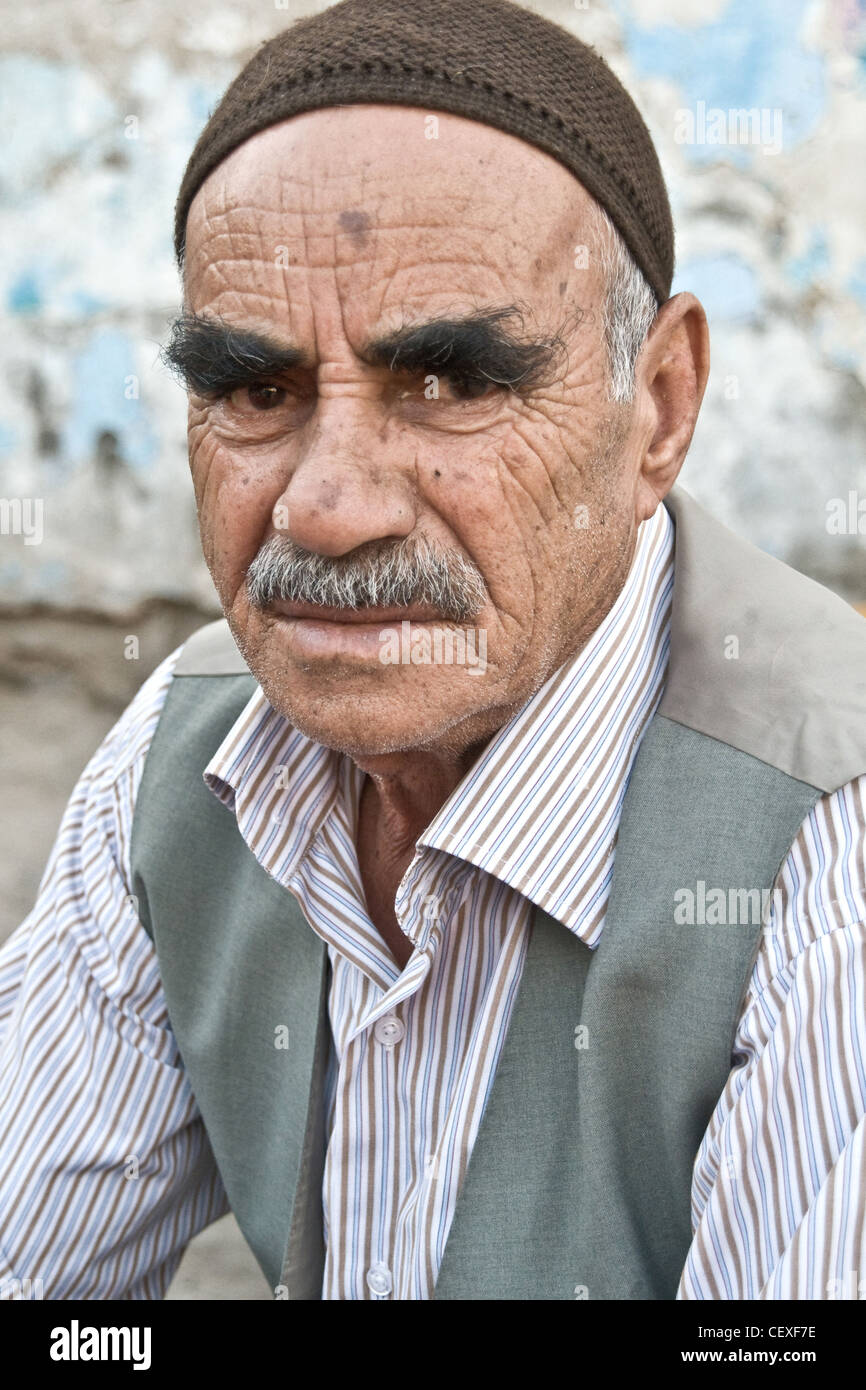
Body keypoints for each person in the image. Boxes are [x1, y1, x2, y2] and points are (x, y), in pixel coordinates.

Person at [2, 0, 865, 1301]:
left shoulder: (825, 840)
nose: (325, 508)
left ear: (659, 407)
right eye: (255, 391)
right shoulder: (183, 757)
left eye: (453, 384)